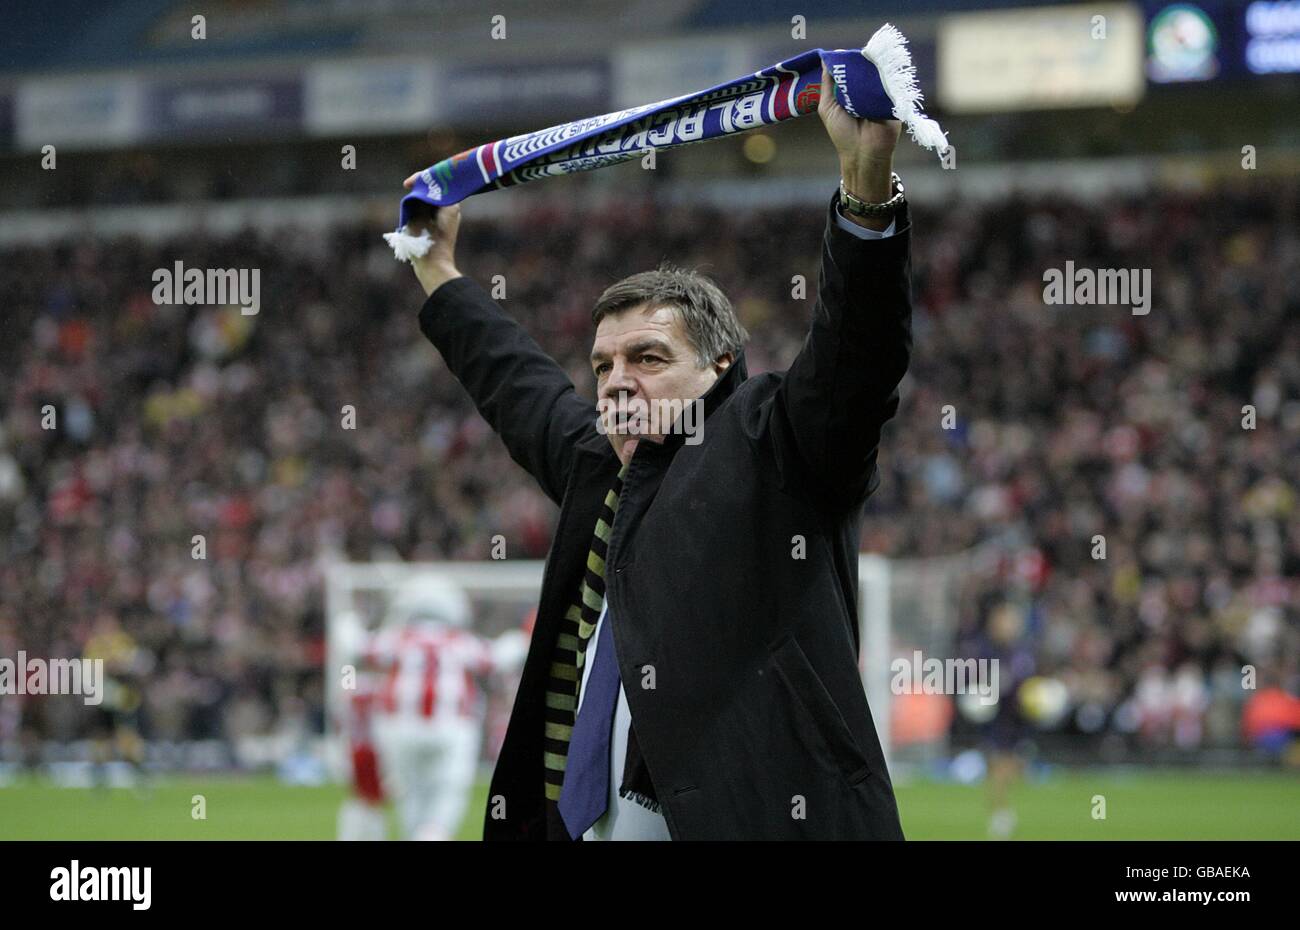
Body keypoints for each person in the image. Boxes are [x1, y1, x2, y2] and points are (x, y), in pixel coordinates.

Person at [403, 65, 911, 840]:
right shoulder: (601, 465)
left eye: (646, 358)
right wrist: (437, 271)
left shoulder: (776, 445)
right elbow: (513, 378)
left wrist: (865, 192)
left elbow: (857, 359)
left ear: (717, 367)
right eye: (603, 364)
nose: (616, 380)